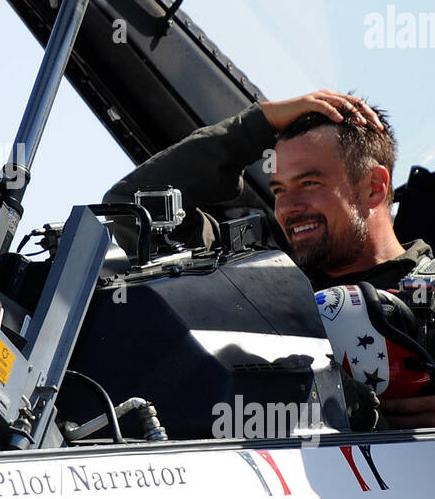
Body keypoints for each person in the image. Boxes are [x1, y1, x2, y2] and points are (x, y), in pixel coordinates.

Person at [105, 90, 434, 430]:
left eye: (309, 182)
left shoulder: (428, 291)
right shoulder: (258, 287)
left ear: (373, 188)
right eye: (279, 190)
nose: (288, 208)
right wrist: (257, 123)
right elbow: (133, 206)